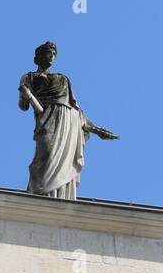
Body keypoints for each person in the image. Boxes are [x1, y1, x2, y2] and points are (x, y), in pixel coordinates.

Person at [18, 41, 117, 199]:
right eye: (48, 53)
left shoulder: (63, 79)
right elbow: (23, 106)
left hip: (68, 122)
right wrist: (26, 95)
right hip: (46, 120)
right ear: (38, 57)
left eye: (54, 54)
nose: (52, 56)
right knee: (45, 155)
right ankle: (40, 196)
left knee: (64, 161)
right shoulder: (28, 77)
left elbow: (76, 110)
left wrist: (96, 130)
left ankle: (61, 195)